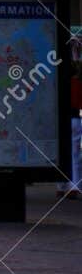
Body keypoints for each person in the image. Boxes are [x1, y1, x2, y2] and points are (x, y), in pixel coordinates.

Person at [57, 63, 82, 198]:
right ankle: (74, 186)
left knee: (61, 153)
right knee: (75, 154)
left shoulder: (60, 84)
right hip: (75, 119)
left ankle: (60, 186)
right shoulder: (78, 83)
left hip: (61, 120)